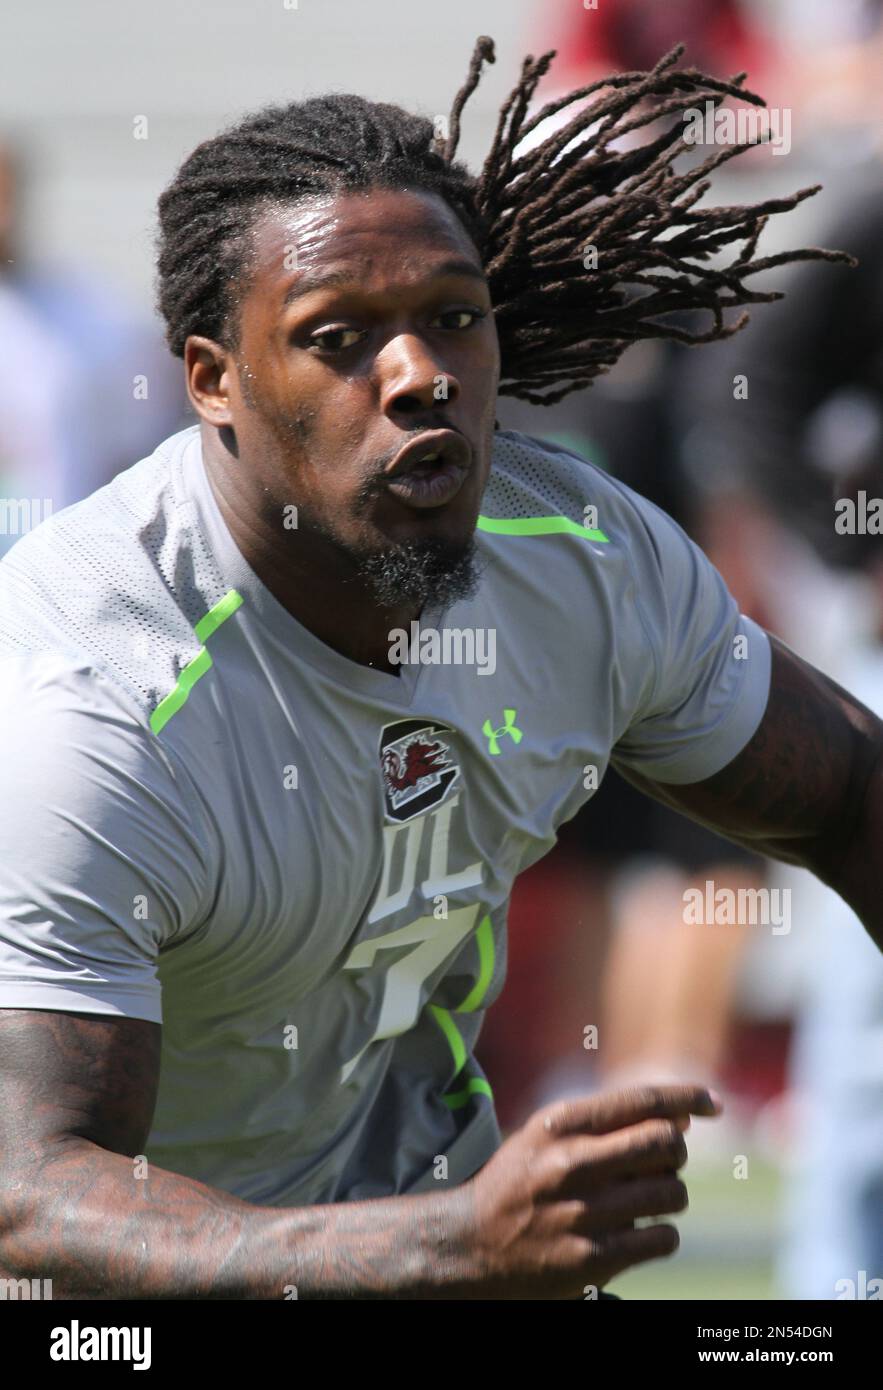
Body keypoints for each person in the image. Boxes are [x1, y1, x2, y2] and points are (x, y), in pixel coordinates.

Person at [0, 37, 879, 1301]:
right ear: (213, 381)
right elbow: (36, 1190)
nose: (419, 376)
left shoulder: (585, 565)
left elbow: (851, 791)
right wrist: (451, 1246)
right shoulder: (89, 710)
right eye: (339, 337)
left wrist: (442, 1247)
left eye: (452, 320)